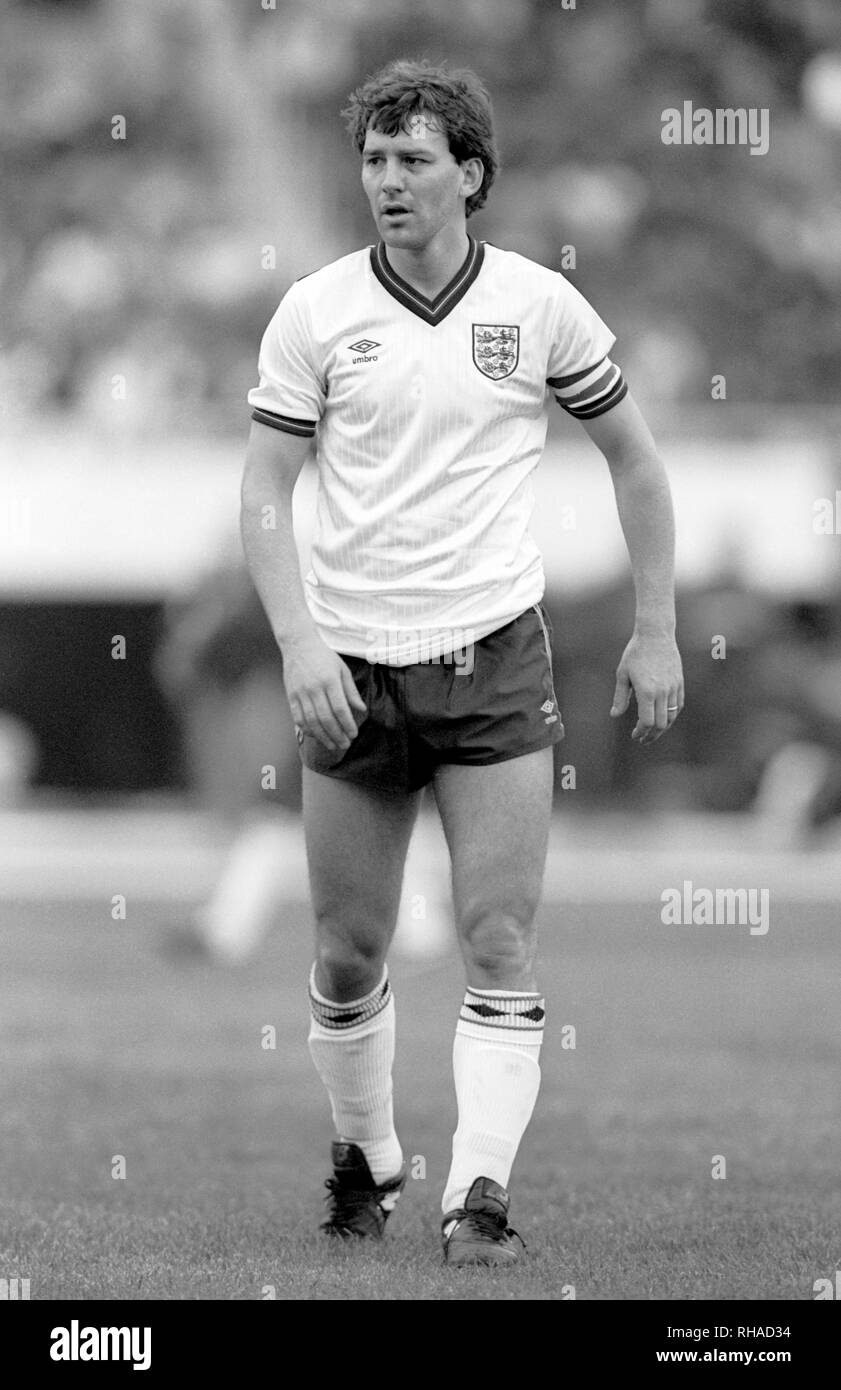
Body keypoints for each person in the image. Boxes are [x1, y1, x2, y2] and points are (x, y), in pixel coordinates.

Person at [241, 59, 683, 1267]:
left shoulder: (540, 308)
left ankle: (477, 1197)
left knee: (495, 938)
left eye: (413, 160)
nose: (387, 180)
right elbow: (266, 491)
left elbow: (637, 462)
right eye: (374, 160)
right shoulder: (317, 312)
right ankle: (366, 1154)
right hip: (350, 665)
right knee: (345, 952)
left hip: (492, 659)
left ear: (469, 176)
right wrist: (298, 644)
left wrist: (654, 628)